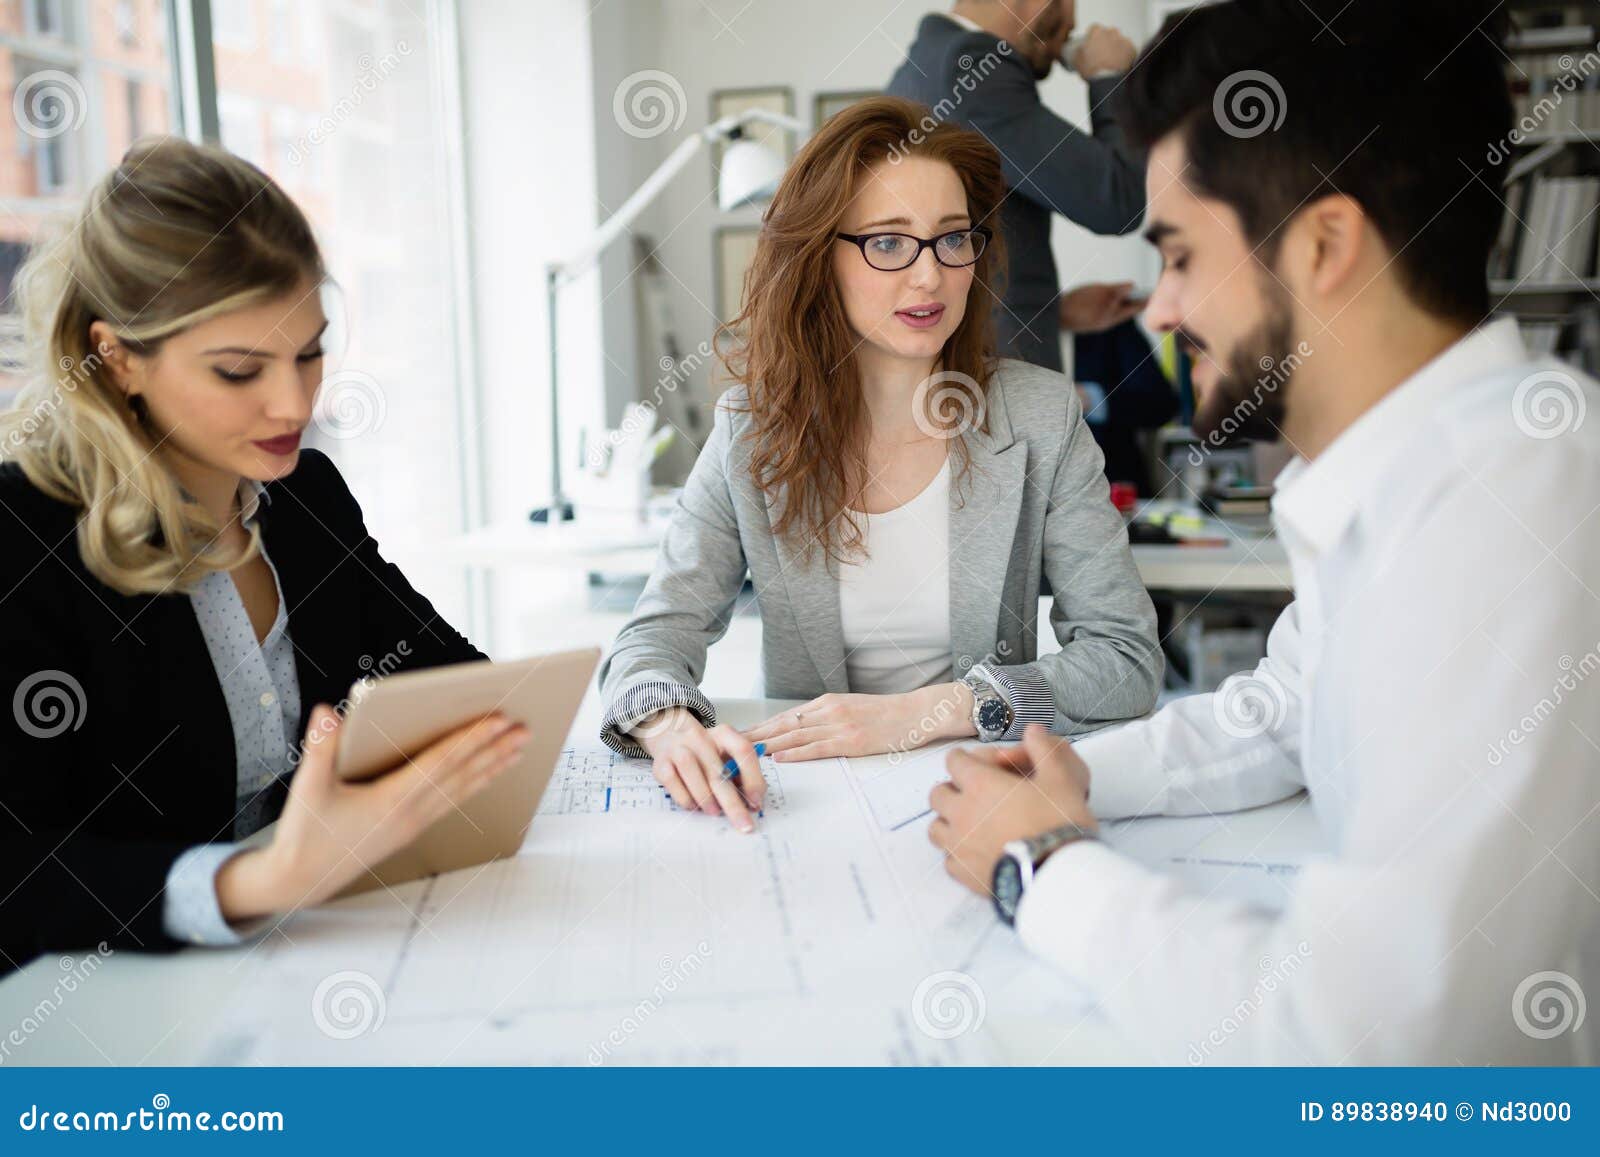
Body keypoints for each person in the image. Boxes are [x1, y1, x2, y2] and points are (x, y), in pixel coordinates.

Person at [928, 0, 1600, 1064]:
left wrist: (1044, 866)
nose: (1158, 310)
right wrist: (1070, 774)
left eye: (1182, 255)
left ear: (1325, 242)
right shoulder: (1417, 473)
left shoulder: (1507, 500)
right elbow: (1282, 708)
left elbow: (1375, 1037)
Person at [0, 138, 526, 973]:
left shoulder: (305, 497)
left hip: (301, 961)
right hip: (97, 1002)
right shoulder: (21, 535)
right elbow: (17, 869)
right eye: (240, 370)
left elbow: (449, 681)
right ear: (121, 358)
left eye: (310, 352)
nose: (294, 402)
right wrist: (255, 878)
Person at [599, 97, 1162, 833]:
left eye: (951, 239)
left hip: (977, 798)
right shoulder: (751, 428)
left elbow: (1126, 660)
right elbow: (651, 642)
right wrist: (671, 728)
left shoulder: (1039, 415)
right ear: (819, 257)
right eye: (889, 244)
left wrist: (926, 713)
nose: (929, 277)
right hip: (805, 809)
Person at [887, 1, 1147, 371]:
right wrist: (1110, 76)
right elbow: (1118, 201)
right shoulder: (973, 63)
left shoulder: (924, 66)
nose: (1071, 26)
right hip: (999, 391)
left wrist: (1054, 312)